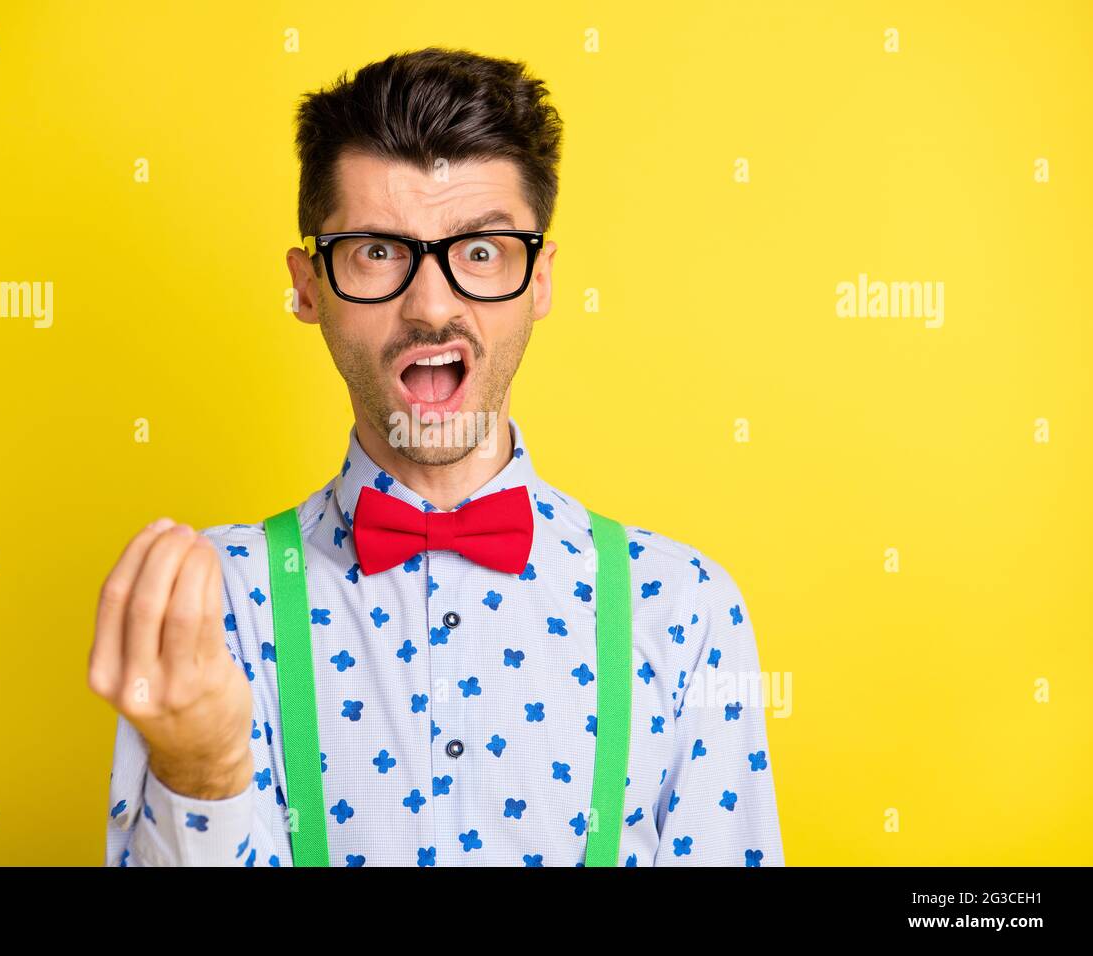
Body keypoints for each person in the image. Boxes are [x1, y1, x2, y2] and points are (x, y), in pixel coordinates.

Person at [89, 46, 784, 867]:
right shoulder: (215, 605)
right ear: (308, 286)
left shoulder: (685, 610)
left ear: (542, 280)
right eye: (378, 251)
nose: (432, 306)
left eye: (482, 251)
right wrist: (200, 767)